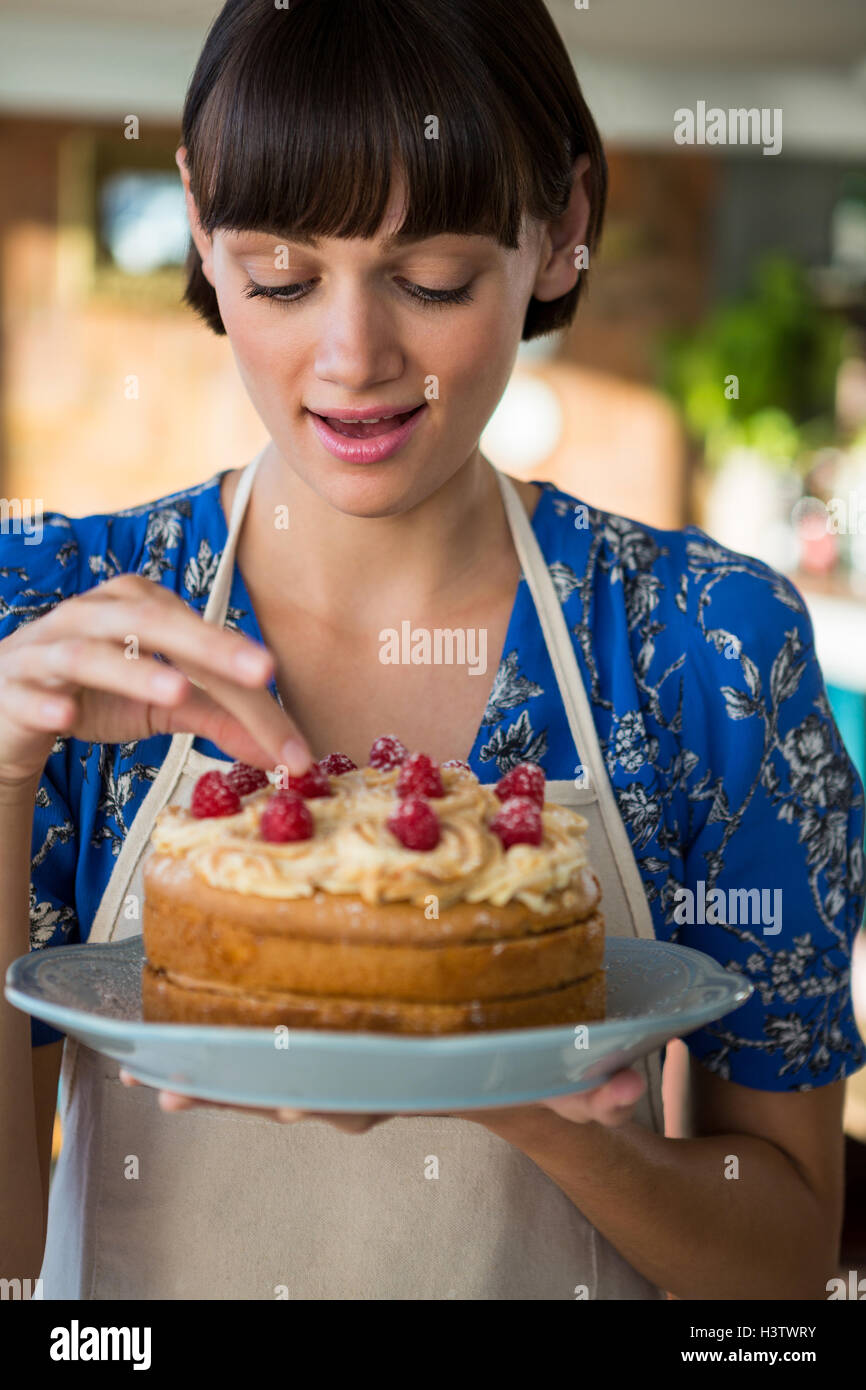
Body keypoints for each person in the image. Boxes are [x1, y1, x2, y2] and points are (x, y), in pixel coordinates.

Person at [1, 0, 863, 1301]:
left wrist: (528, 1095)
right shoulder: (51, 617)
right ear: (196, 222)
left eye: (434, 279)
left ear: (564, 225)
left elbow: (785, 1260)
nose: (351, 359)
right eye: (280, 275)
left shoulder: (705, 646)